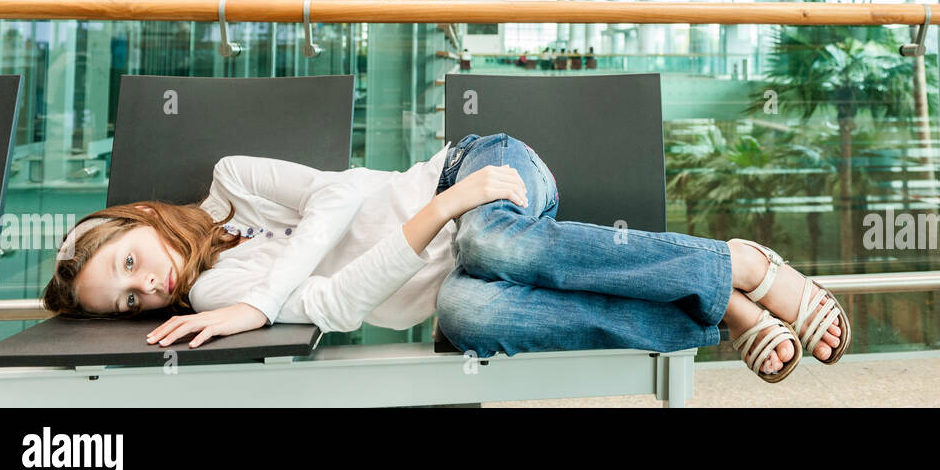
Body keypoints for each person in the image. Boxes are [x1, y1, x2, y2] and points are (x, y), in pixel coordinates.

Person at [42, 134, 849, 382]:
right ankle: (725, 294)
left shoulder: (232, 186)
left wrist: (444, 203)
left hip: (480, 174)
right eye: (129, 302)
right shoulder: (221, 288)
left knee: (497, 239)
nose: (148, 288)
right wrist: (256, 305)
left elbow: (339, 195)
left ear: (133, 222)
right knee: (467, 314)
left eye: (129, 265)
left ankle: (741, 266)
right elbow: (340, 309)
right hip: (458, 279)